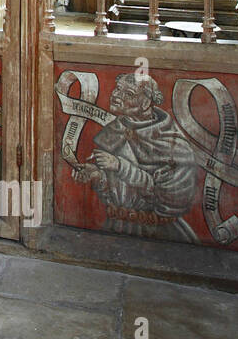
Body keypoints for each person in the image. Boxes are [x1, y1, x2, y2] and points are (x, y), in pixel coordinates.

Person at [71, 73, 201, 242]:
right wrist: (98, 176)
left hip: (160, 234)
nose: (116, 96)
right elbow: (117, 194)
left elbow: (168, 201)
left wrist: (121, 167)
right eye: (118, 89)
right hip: (115, 229)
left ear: (146, 103)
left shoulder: (174, 147)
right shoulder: (113, 132)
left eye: (129, 94)